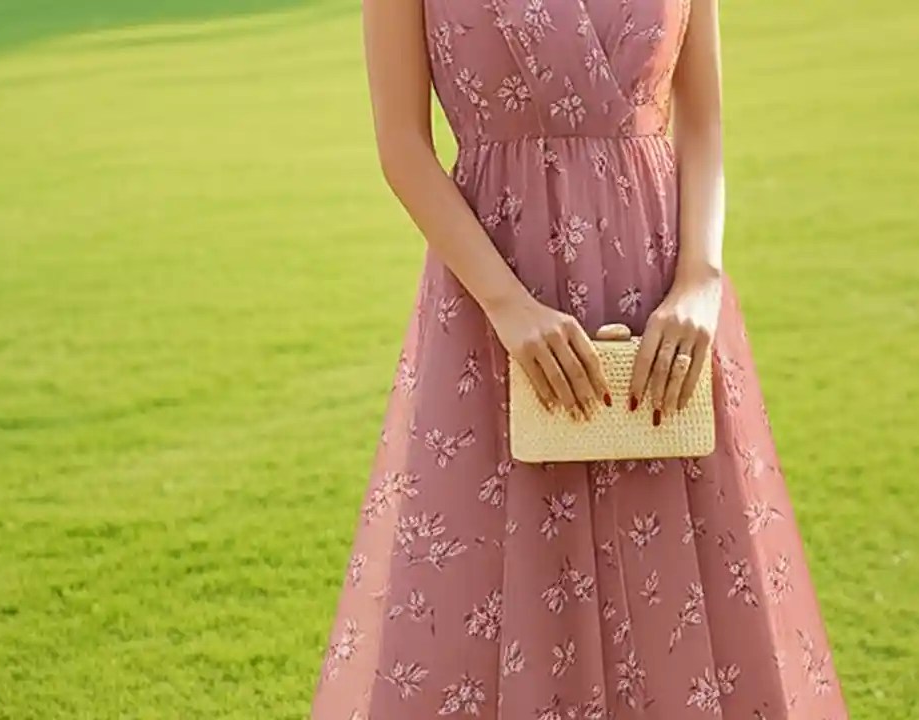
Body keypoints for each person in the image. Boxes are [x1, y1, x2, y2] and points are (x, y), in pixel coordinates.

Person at [310, 0, 849, 717]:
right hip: (498, 304)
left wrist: (700, 279)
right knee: (507, 586)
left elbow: (703, 117)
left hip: (661, 309)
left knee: (679, 597)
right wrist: (507, 307)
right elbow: (402, 145)